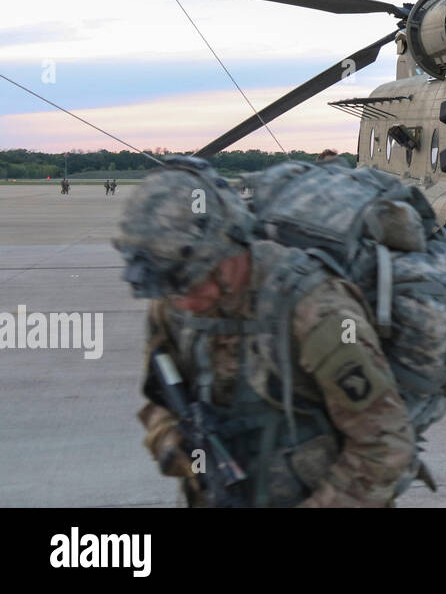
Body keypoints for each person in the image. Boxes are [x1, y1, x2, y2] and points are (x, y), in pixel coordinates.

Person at [113, 158, 416, 507]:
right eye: (172, 290)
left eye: (193, 283)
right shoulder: (173, 300)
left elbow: (385, 443)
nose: (185, 302)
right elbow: (161, 400)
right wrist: (173, 444)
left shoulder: (316, 309)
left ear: (227, 249)